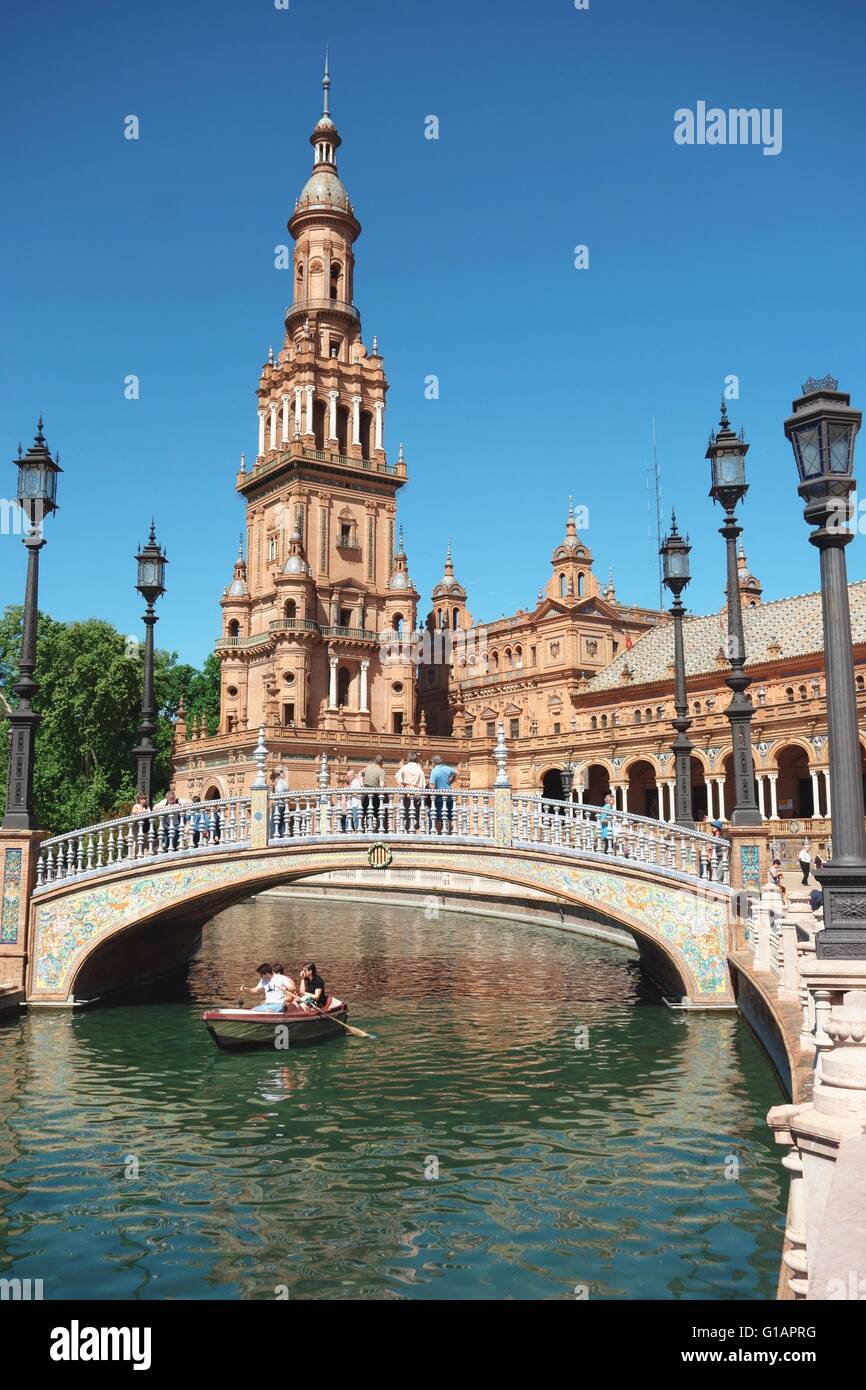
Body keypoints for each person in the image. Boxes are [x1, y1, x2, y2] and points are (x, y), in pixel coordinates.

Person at [396, 749, 425, 830]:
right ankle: (415, 825)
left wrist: (403, 784)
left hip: (406, 793)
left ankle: (407, 827)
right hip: (416, 793)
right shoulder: (419, 769)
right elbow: (423, 784)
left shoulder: (404, 768)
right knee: (415, 812)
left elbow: (398, 778)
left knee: (406, 813)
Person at [429, 755, 457, 832]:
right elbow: (457, 773)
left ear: (433, 763)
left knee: (437, 818)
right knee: (449, 819)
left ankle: (438, 836)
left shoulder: (434, 771)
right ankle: (451, 836)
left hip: (439, 798)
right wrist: (450, 782)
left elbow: (432, 786)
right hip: (449, 796)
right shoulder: (447, 768)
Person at [361, 754, 386, 829]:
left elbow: (359, 774)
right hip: (375, 794)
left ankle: (362, 829)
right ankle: (378, 830)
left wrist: (362, 784)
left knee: (365, 813)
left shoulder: (368, 767)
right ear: (382, 763)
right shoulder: (381, 771)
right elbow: (381, 784)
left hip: (365, 793)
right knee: (379, 814)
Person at [272, 768, 289, 838]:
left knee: (274, 825)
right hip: (284, 806)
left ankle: (274, 839)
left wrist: (274, 790)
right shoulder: (285, 783)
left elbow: (280, 793)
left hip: (278, 805)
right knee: (283, 824)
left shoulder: (279, 783)